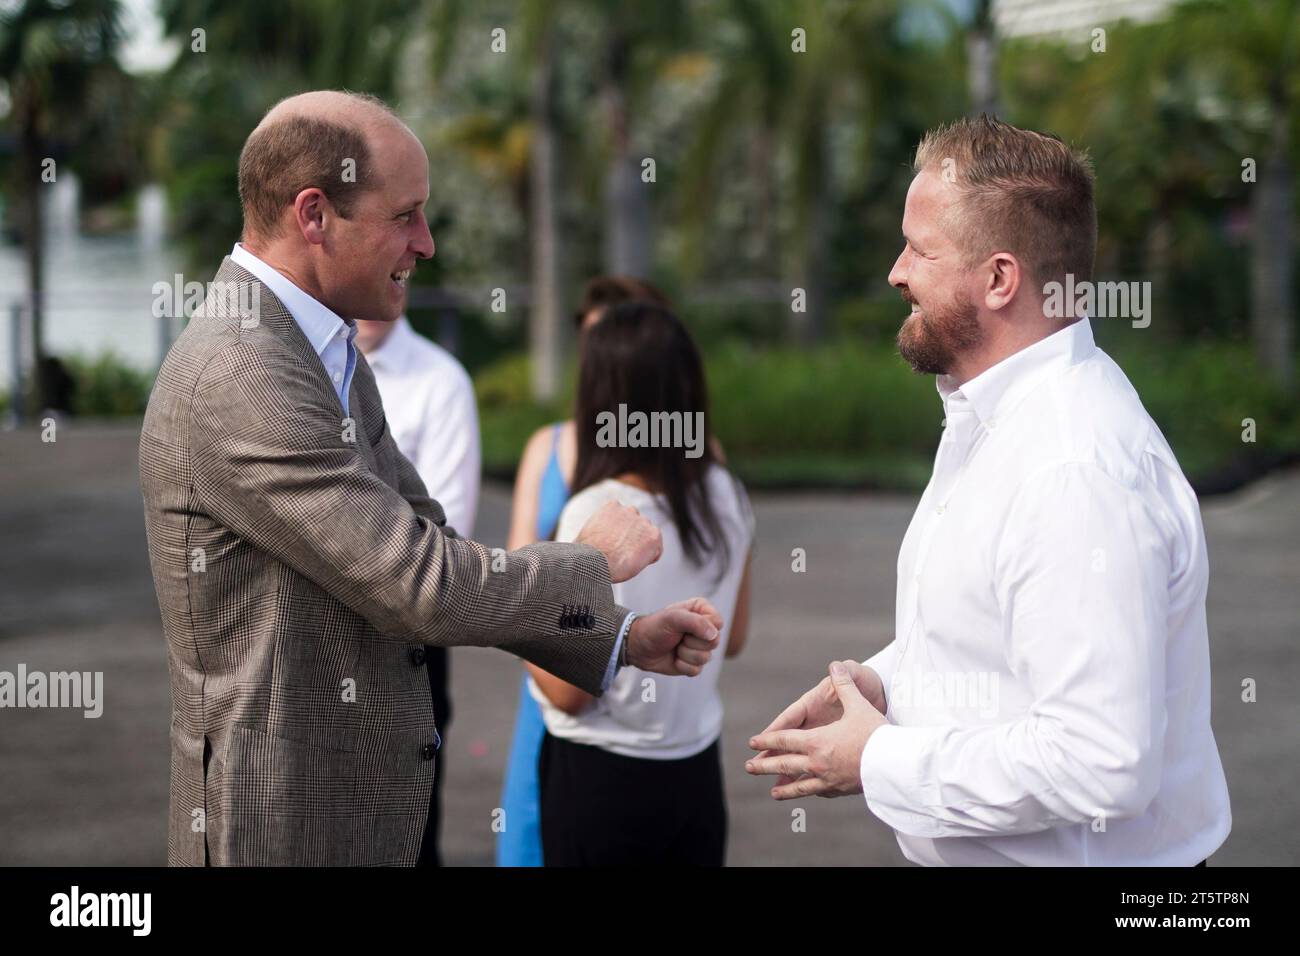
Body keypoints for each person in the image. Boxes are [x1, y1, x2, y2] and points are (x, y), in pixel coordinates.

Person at [139, 90, 723, 866]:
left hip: (344, 814)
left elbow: (430, 543)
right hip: (284, 827)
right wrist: (592, 561)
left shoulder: (318, 347)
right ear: (314, 215)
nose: (428, 242)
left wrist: (616, 636)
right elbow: (421, 583)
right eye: (405, 214)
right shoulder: (242, 372)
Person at [747, 115, 1231, 867]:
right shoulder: (993, 416)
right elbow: (991, 638)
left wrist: (878, 762)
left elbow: (1103, 760)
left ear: (1001, 278)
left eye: (920, 249)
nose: (895, 272)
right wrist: (883, 684)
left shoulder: (1073, 469)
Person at [533, 301, 754, 866]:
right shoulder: (724, 493)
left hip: (600, 781)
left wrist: (520, 612)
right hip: (695, 774)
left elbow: (569, 691)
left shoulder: (593, 511)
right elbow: (730, 637)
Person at [496, 276, 672, 867]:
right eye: (593, 345)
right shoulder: (546, 449)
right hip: (550, 687)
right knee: (532, 832)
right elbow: (515, 579)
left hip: (642, 707)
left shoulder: (697, 464)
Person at [354, 313, 481, 866]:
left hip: (413, 636)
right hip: (325, 644)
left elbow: (446, 540)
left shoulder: (440, 379)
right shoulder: (307, 364)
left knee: (410, 833)